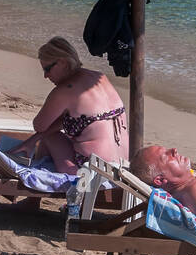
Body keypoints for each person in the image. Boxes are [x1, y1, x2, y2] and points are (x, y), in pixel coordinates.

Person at [11, 37, 128, 172]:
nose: (46, 76)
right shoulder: (100, 78)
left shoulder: (65, 91)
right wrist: (32, 141)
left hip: (89, 173)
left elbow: (39, 125)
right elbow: (84, 118)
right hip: (121, 166)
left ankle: (35, 178)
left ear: (63, 63)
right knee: (52, 135)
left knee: (49, 137)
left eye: (47, 69)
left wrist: (34, 139)